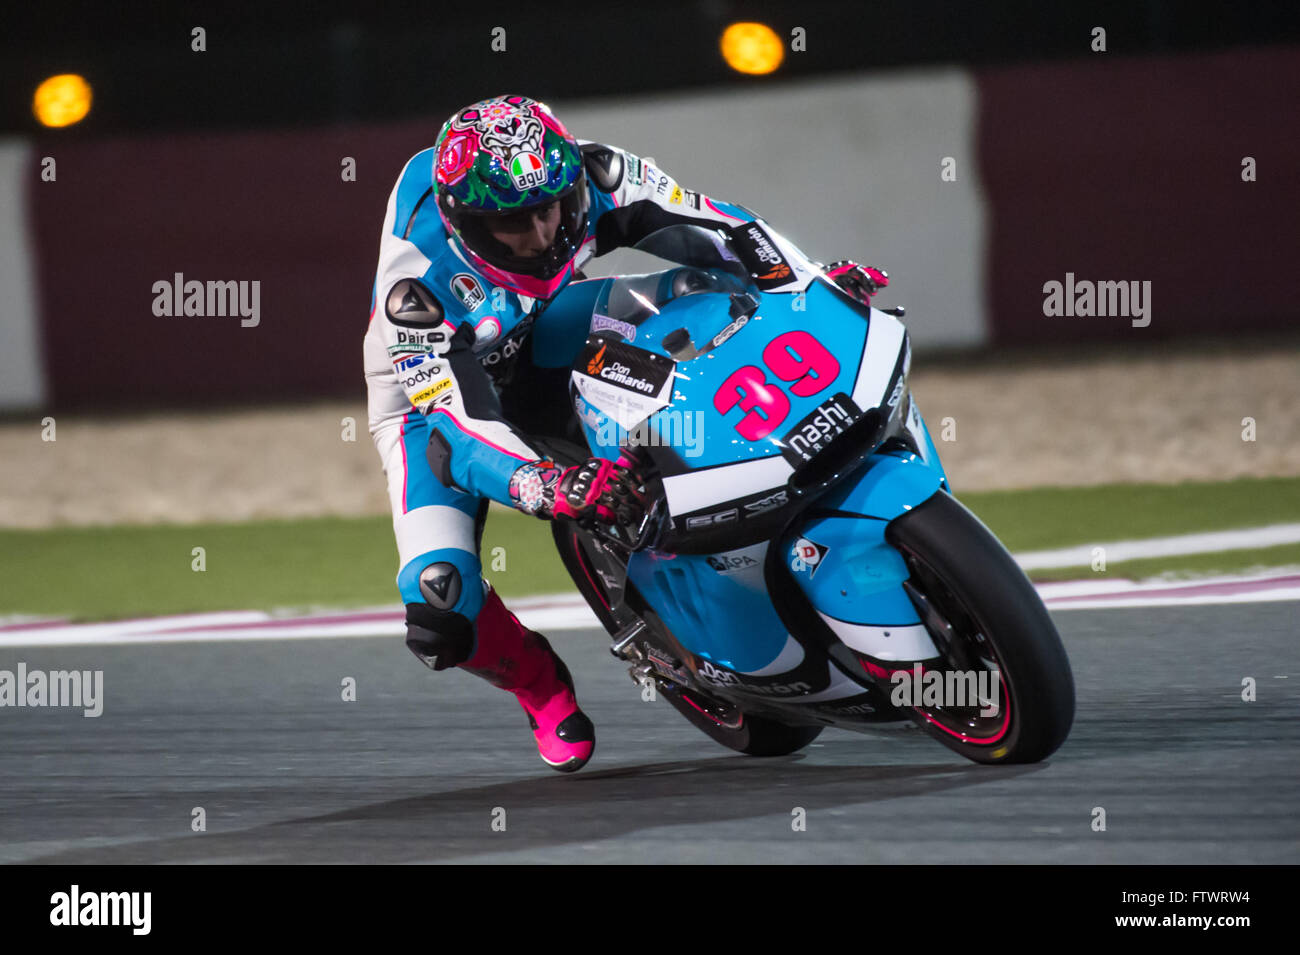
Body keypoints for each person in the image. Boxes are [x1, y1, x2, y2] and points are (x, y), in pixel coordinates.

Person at [363, 93, 888, 773]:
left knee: (701, 287)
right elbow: (459, 431)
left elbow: (723, 226)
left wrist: (807, 282)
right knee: (439, 609)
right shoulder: (419, 286)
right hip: (435, 403)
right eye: (516, 223)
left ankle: (743, 463)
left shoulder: (595, 173)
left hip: (545, 330)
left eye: (552, 205)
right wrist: (548, 485)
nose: (544, 230)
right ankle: (539, 685)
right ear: (467, 225)